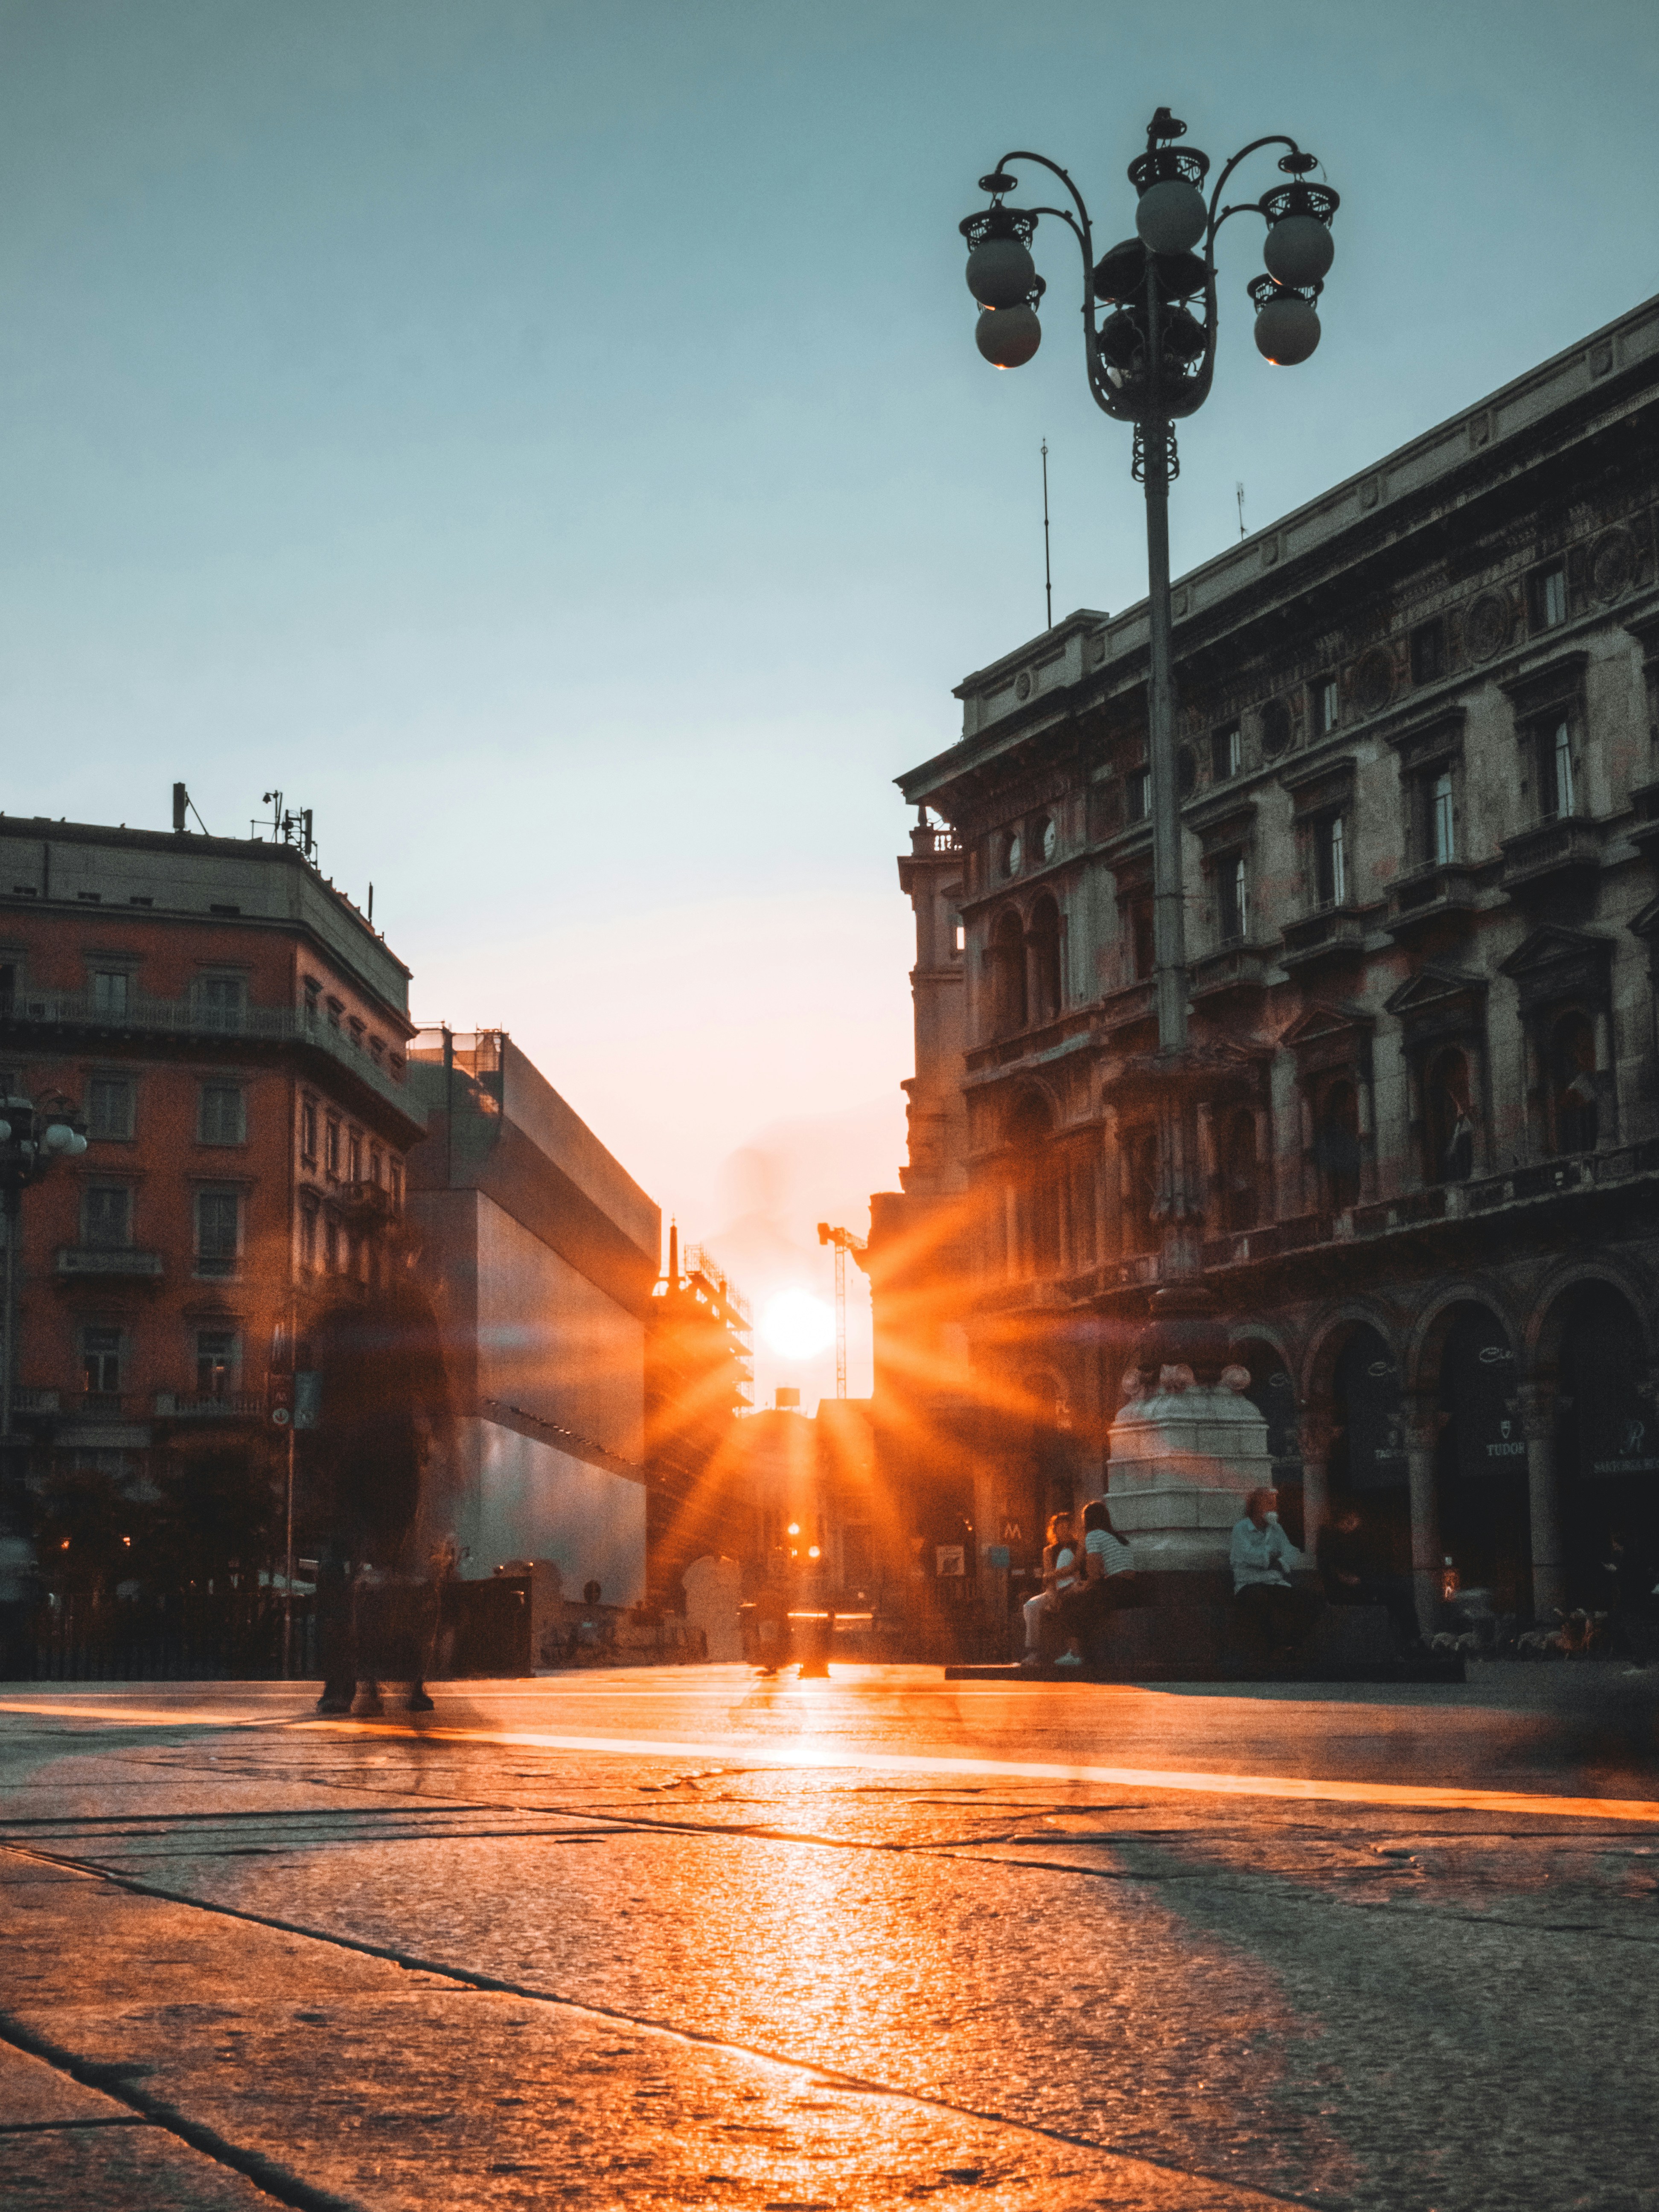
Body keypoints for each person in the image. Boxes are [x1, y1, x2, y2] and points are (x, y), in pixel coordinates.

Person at [1317, 1498, 1420, 1647]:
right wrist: (1364, 1581)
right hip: (1352, 1589)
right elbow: (1343, 1575)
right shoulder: (1332, 1542)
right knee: (1399, 1593)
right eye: (1350, 1520)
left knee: (1400, 1588)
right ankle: (1411, 1641)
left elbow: (1368, 1563)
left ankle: (1410, 1640)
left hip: (1362, 1582)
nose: (1352, 1524)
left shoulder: (1348, 1539)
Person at [1229, 1487, 1316, 1660]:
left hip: (1274, 1581)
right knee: (1260, 1601)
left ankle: (1291, 1642)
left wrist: (1280, 1563)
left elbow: (1291, 1553)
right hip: (1249, 1583)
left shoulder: (1277, 1529)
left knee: (1313, 1601)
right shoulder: (1241, 1529)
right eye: (1268, 1503)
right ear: (1255, 1506)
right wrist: (1271, 1556)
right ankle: (1275, 1645)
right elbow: (1245, 1556)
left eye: (1274, 1504)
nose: (1273, 1507)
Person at [1054, 1499, 1137, 1666]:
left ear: (1088, 1520)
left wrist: (1081, 1587)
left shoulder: (1093, 1535)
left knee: (1068, 1601)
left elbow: (1095, 1574)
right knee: (1084, 1600)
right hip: (1131, 1590)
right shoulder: (1120, 1539)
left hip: (1114, 1588)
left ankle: (1075, 1654)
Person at [1020, 1511, 1077, 1667]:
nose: (1064, 1530)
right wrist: (1052, 1595)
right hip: (1054, 1590)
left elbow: (1079, 1572)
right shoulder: (1049, 1551)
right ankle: (1034, 1651)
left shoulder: (1079, 1547)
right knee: (1031, 1606)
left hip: (1073, 1587)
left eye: (1067, 1527)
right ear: (1055, 1530)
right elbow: (1048, 1577)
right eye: (1061, 1527)